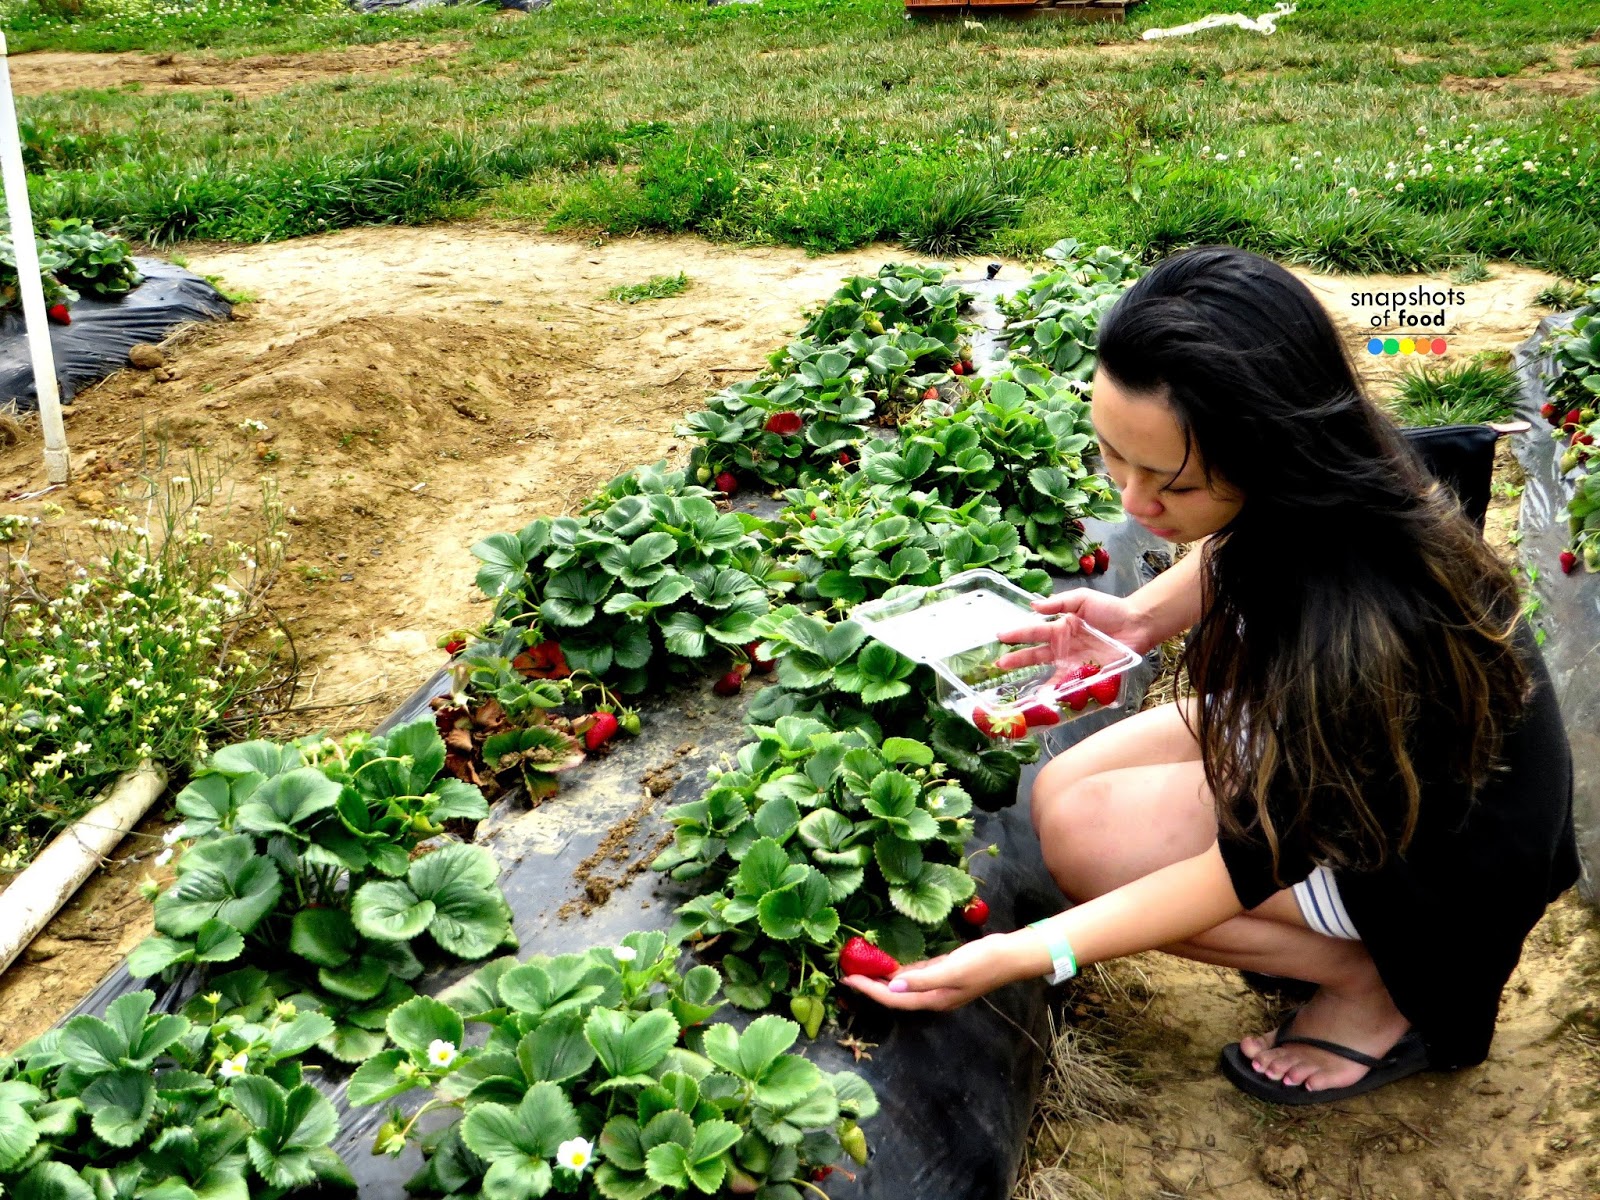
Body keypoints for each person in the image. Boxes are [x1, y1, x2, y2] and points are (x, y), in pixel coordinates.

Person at [842, 245, 1579, 1105]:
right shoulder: (1326, 479)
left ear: (1274, 447)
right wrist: (1139, 618)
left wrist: (1027, 951)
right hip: (1365, 763)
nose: (1131, 503)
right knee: (1066, 794)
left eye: (1171, 482)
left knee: (1084, 843)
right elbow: (1238, 542)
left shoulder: (1365, 628)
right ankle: (1348, 953)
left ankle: (1379, 984)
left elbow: (1240, 869)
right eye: (1114, 454)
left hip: (1438, 865)